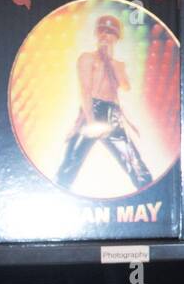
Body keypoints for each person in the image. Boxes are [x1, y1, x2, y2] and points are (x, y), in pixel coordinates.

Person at [55, 14, 152, 191]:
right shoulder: (87, 58)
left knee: (134, 162)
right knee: (71, 161)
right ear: (96, 34)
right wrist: (90, 121)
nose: (105, 35)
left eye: (110, 32)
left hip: (112, 114)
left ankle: (150, 194)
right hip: (91, 109)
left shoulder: (118, 64)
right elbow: (85, 89)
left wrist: (112, 62)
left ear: (116, 37)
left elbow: (124, 87)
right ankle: (58, 194)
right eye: (102, 31)